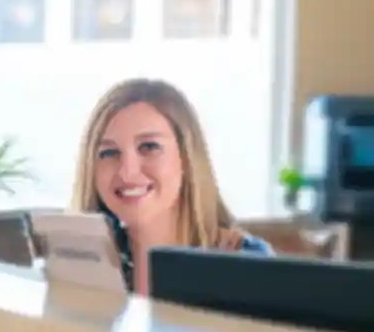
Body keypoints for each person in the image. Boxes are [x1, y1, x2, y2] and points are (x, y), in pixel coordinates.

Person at [71, 78, 272, 294]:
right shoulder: (77, 266)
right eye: (109, 152)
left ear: (186, 158)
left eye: (149, 147)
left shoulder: (246, 263)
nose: (127, 172)